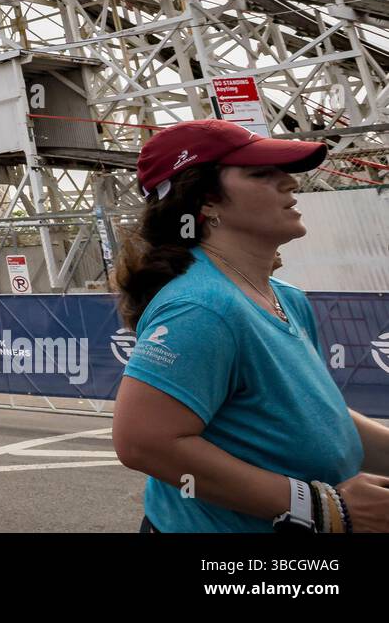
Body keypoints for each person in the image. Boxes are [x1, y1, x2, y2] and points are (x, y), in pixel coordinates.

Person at [112, 119, 389, 533]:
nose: (290, 184)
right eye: (262, 174)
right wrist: (322, 508)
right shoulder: (201, 307)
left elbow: (315, 414)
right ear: (206, 202)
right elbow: (144, 442)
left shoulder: (285, 297)